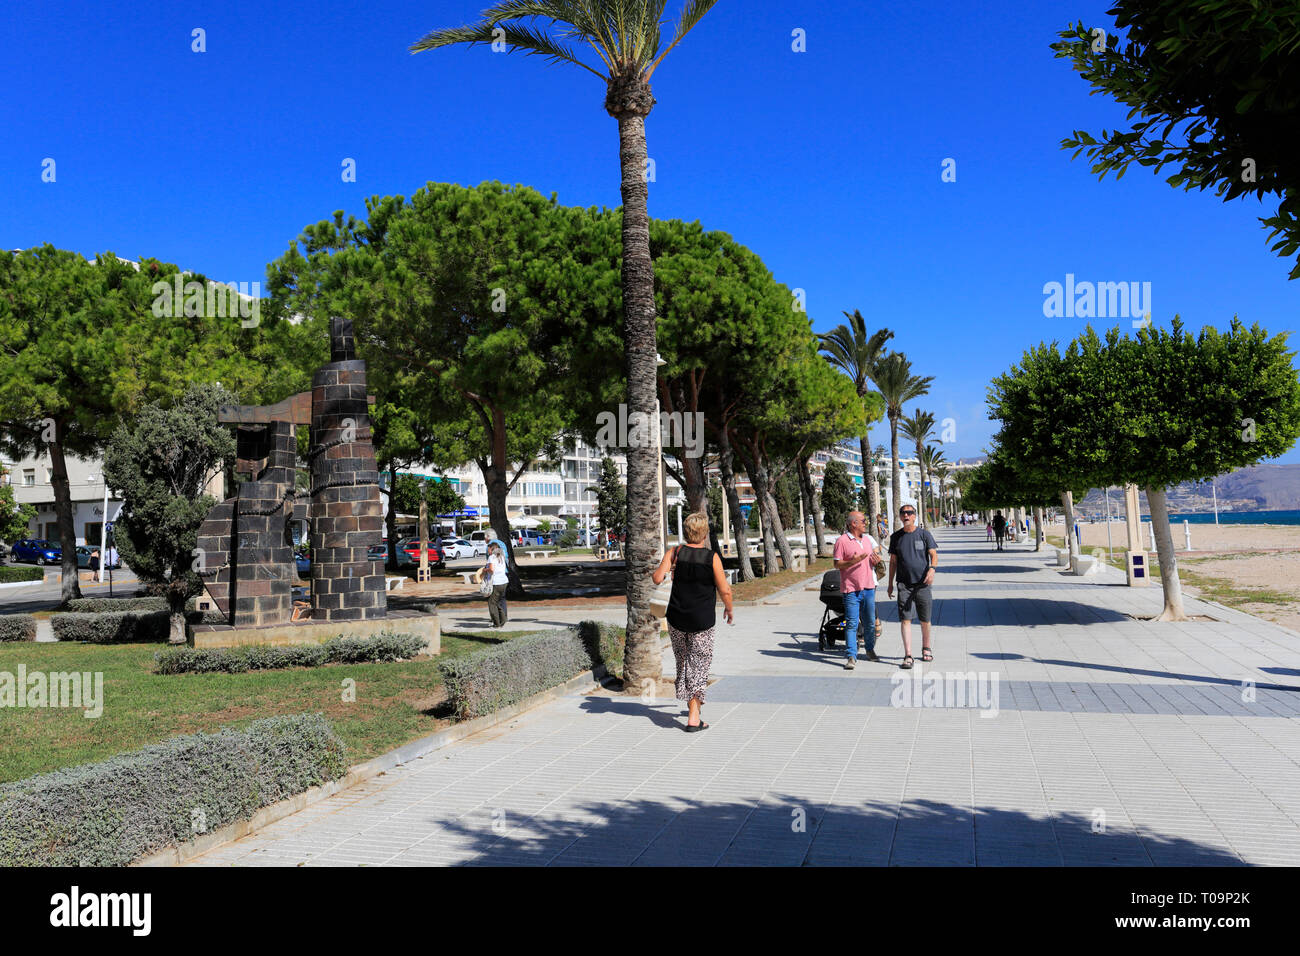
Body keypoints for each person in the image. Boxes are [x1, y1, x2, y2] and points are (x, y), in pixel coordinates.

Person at [652, 511, 734, 732]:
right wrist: (729, 609)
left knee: (684, 662)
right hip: (702, 620)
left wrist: (670, 568)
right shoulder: (711, 557)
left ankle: (692, 706)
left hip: (676, 618)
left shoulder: (675, 552)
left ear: (687, 532)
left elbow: (657, 578)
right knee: (699, 664)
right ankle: (694, 716)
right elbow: (725, 589)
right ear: (704, 533)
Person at [887, 504, 938, 670]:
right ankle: (908, 654)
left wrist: (932, 569)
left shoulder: (924, 535)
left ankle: (926, 647)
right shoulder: (896, 537)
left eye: (909, 513)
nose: (906, 515)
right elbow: (893, 562)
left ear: (915, 516)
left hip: (923, 584)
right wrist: (889, 585)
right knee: (905, 619)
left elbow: (933, 555)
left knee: (925, 619)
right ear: (900, 517)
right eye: (903, 513)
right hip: (904, 584)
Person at [832, 510, 883, 668]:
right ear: (853, 523)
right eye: (863, 521)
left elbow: (870, 561)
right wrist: (852, 562)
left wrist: (876, 561)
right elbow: (836, 564)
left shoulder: (867, 540)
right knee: (852, 624)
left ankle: (869, 649)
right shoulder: (841, 541)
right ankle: (851, 656)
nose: (865, 523)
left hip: (868, 588)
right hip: (851, 590)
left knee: (869, 623)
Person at [476, 541, 510, 628]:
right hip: (504, 582)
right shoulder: (501, 556)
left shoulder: (492, 557)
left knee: (492, 603)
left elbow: (491, 570)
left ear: (492, 549)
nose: (488, 551)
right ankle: (502, 620)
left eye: (488, 549)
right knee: (498, 602)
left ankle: (496, 624)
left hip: (496, 582)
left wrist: (485, 570)